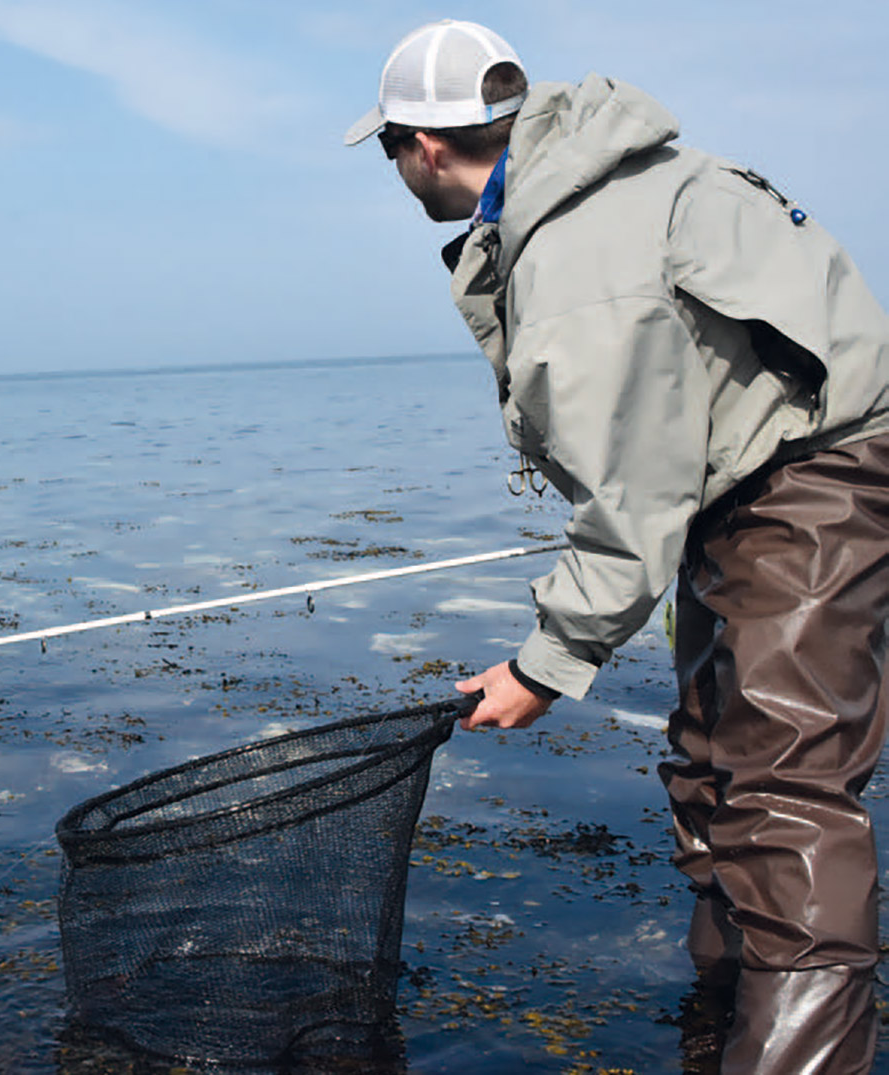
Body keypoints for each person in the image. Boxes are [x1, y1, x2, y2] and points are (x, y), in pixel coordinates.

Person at [345, 19, 889, 1074]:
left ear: (423, 145)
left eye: (389, 149)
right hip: (746, 485)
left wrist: (542, 666)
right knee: (714, 767)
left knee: (781, 790)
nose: (396, 168)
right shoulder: (583, 188)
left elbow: (635, 488)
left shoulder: (580, 252)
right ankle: (725, 1026)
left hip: (808, 483)